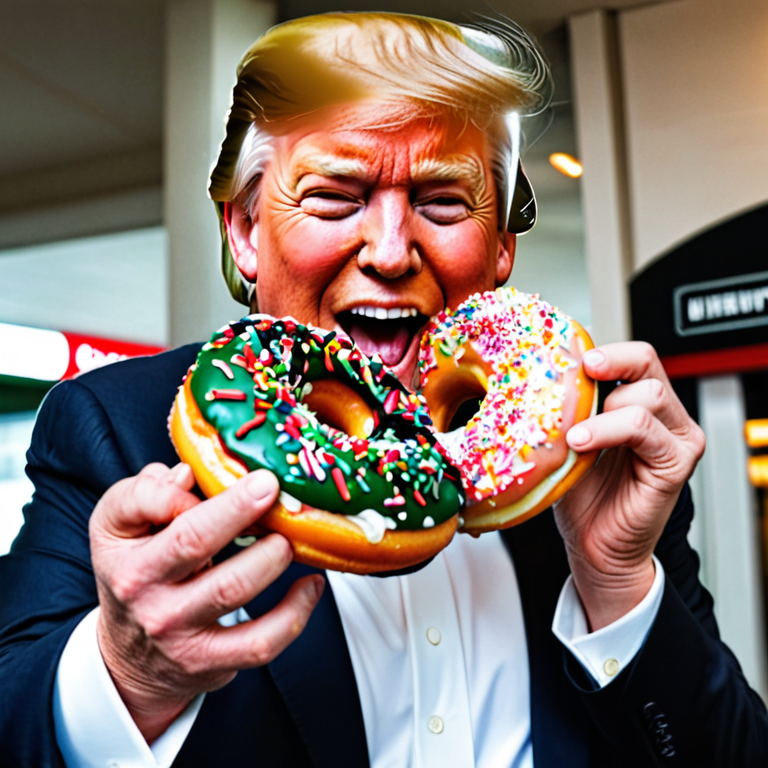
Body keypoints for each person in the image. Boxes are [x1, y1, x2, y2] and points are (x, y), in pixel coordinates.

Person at [1, 12, 767, 767]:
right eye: (335, 196)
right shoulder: (118, 429)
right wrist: (127, 673)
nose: (392, 252)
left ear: (500, 246)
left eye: (442, 202)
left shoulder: (580, 460)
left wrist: (617, 581)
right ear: (243, 231)